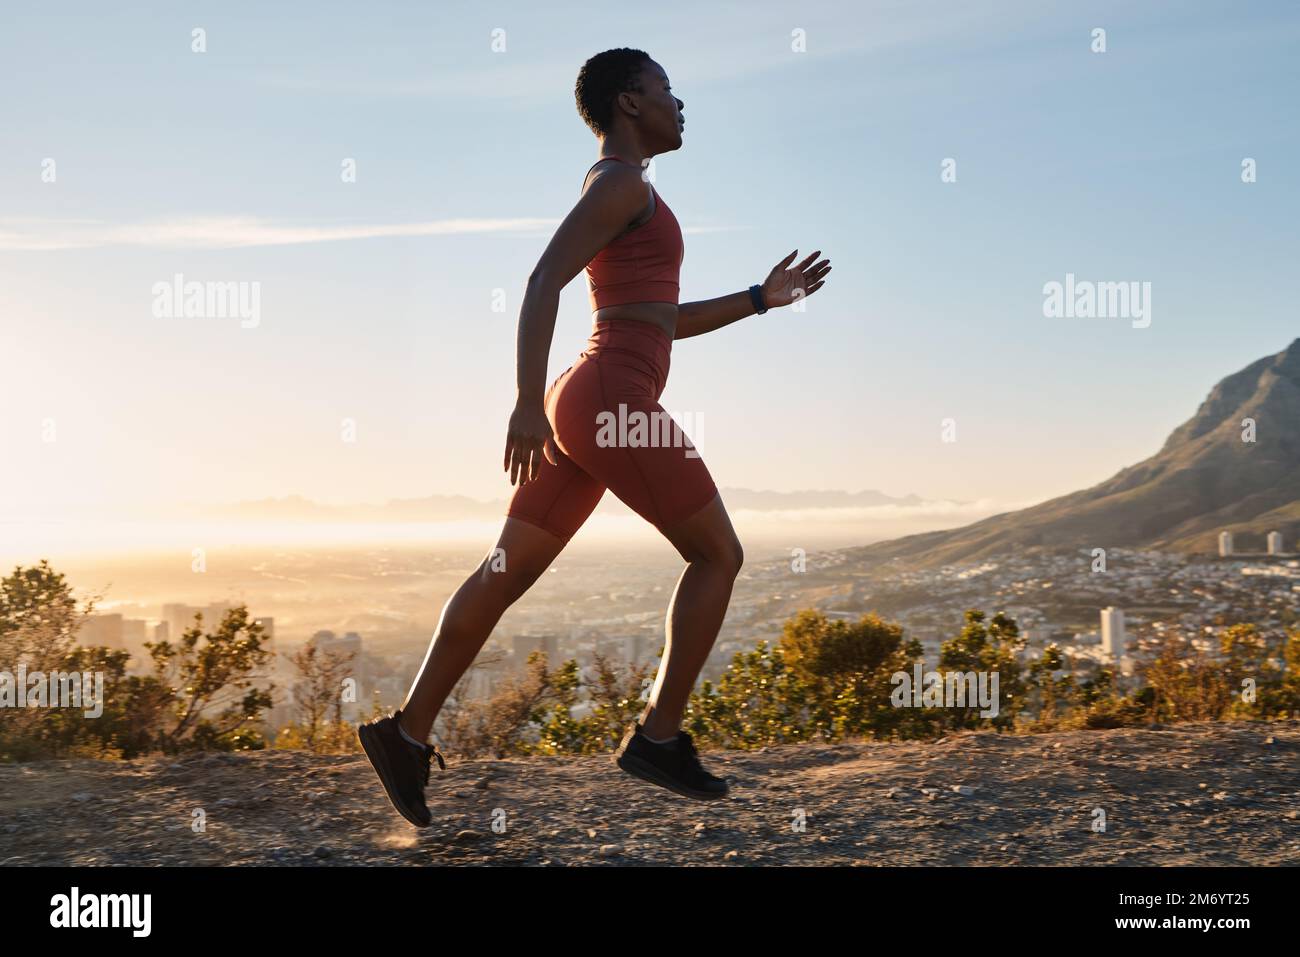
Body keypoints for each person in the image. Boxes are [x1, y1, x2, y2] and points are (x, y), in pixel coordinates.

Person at [359, 48, 830, 826]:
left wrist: (759, 298)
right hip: (607, 397)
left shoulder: (625, 191)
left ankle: (407, 734)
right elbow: (544, 278)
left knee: (502, 571)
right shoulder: (621, 183)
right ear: (628, 103)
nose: (681, 104)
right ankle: (658, 736)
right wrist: (521, 404)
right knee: (719, 554)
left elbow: (662, 322)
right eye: (666, 91)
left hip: (588, 396)